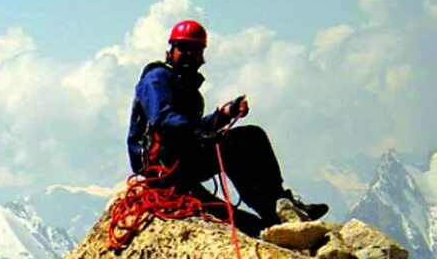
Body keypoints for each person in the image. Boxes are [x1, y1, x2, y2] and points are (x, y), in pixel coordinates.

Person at [126, 19, 327, 235]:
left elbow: (190, 127)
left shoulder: (184, 86)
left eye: (194, 50)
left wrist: (225, 114)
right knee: (235, 146)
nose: (189, 55)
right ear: (172, 49)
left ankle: (280, 205)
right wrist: (200, 134)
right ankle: (273, 212)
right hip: (164, 169)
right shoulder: (157, 79)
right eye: (184, 48)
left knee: (252, 136)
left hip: (181, 161)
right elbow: (164, 118)